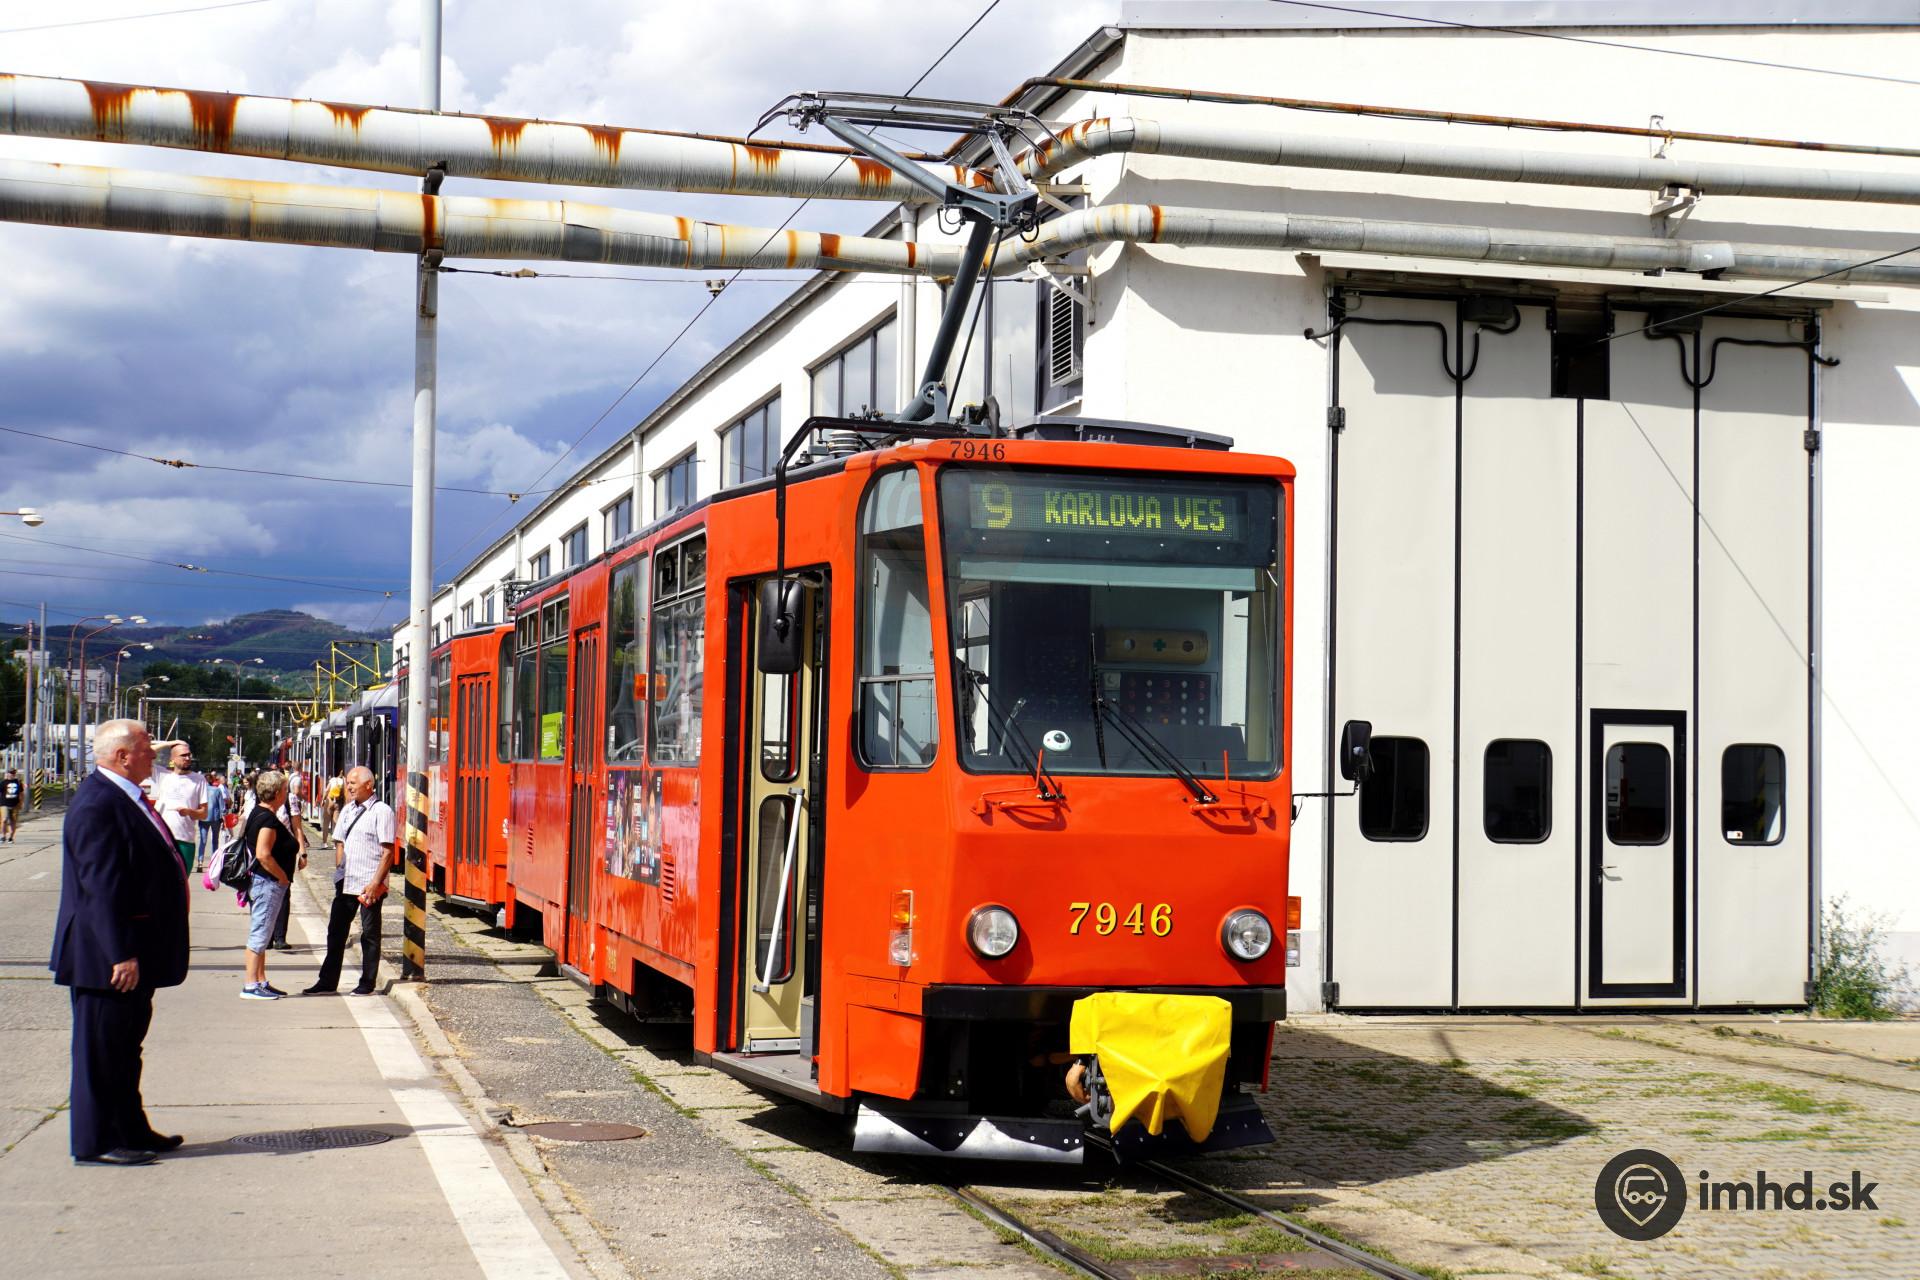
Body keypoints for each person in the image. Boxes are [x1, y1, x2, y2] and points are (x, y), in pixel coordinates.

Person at [49, 719, 190, 1165]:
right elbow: (100, 887)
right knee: (100, 1051)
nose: (155, 754)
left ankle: (131, 1128)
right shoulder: (97, 804)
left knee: (126, 1047)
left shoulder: (122, 796)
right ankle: (98, 1141)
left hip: (133, 950)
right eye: (148, 747)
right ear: (122, 756)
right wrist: (120, 953)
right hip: (105, 957)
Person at [306, 766, 396, 996]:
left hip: (369, 884)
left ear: (369, 785)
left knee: (369, 934)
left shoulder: (382, 811)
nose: (349, 786)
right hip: (346, 880)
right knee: (336, 931)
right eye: (348, 782)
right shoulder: (347, 810)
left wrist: (376, 883)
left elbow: (388, 852)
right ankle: (327, 981)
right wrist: (339, 870)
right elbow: (340, 842)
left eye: (354, 782)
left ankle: (367, 982)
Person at [239, 771, 302, 1000]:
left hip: (265, 882)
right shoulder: (266, 819)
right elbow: (263, 854)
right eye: (285, 790)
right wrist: (282, 876)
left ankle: (260, 979)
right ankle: (250, 984)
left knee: (264, 934)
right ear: (276, 793)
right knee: (259, 933)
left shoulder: (261, 813)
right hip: (267, 883)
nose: (287, 794)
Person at [149, 743, 207, 876]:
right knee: (159, 882)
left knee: (180, 884)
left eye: (189, 755)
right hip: (162, 838)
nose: (187, 758)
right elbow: (147, 752)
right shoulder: (162, 775)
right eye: (183, 755)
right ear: (172, 759)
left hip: (185, 840)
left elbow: (204, 814)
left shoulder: (199, 779)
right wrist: (171, 743)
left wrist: (189, 812)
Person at [266, 776, 308, 951]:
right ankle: (266, 936)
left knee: (283, 891)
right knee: (265, 892)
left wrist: (302, 852)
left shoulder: (290, 800)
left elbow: (297, 827)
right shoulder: (261, 798)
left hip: (285, 853)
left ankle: (280, 936)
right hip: (266, 851)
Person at [199, 772, 228, 868]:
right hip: (215, 818)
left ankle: (200, 861)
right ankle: (213, 861)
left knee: (203, 840)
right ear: (212, 780)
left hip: (203, 817)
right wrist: (224, 818)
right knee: (215, 840)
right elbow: (222, 806)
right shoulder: (217, 790)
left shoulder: (200, 791)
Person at [322, 771, 345, 848]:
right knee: (335, 823)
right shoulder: (343, 782)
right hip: (338, 803)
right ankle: (335, 844)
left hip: (330, 801)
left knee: (326, 823)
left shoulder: (332, 780)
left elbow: (326, 790)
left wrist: (323, 800)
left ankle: (324, 843)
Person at [1, 766, 22, 842]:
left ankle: (11, 837)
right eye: (10, 773)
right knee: (4, 820)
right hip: (4, 804)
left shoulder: (18, 782)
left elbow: (21, 793)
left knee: (13, 821)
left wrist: (20, 803)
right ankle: (3, 836)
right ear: (7, 773)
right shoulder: (3, 782)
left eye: (13, 773)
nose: (11, 774)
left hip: (15, 804)